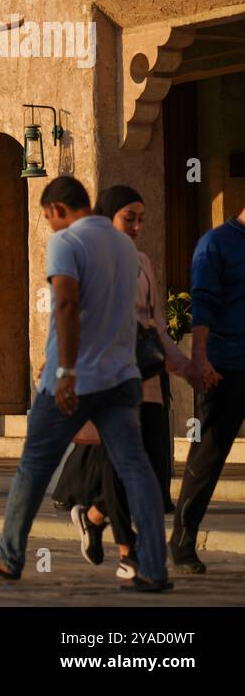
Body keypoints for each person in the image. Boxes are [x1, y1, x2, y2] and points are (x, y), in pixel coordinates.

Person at [0, 177, 171, 591]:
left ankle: (8, 555)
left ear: (59, 208)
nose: (49, 227)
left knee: (34, 465)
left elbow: (67, 304)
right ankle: (153, 567)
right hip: (123, 377)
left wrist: (66, 372)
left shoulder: (66, 242)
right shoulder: (125, 247)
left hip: (77, 377)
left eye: (47, 218)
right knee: (136, 468)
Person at [68, 186, 190, 579]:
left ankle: (93, 516)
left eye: (141, 218)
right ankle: (127, 553)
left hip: (148, 379)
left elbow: (155, 323)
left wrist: (186, 366)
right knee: (119, 465)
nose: (137, 226)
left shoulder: (142, 262)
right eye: (128, 218)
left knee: (153, 470)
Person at [168, 203, 245, 573]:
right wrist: (198, 361)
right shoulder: (214, 244)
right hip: (225, 367)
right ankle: (182, 540)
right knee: (208, 456)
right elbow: (202, 305)